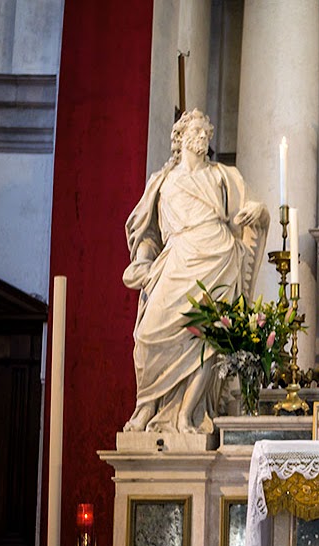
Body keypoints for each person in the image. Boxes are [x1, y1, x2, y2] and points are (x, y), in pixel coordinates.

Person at [122, 109, 269, 434]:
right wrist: (144, 262)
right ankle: (146, 406)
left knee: (206, 342)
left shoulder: (223, 176)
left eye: (207, 133)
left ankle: (187, 416)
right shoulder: (161, 182)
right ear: (181, 136)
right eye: (197, 131)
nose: (203, 137)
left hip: (217, 260)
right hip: (177, 259)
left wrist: (258, 212)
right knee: (147, 335)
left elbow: (249, 212)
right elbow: (148, 235)